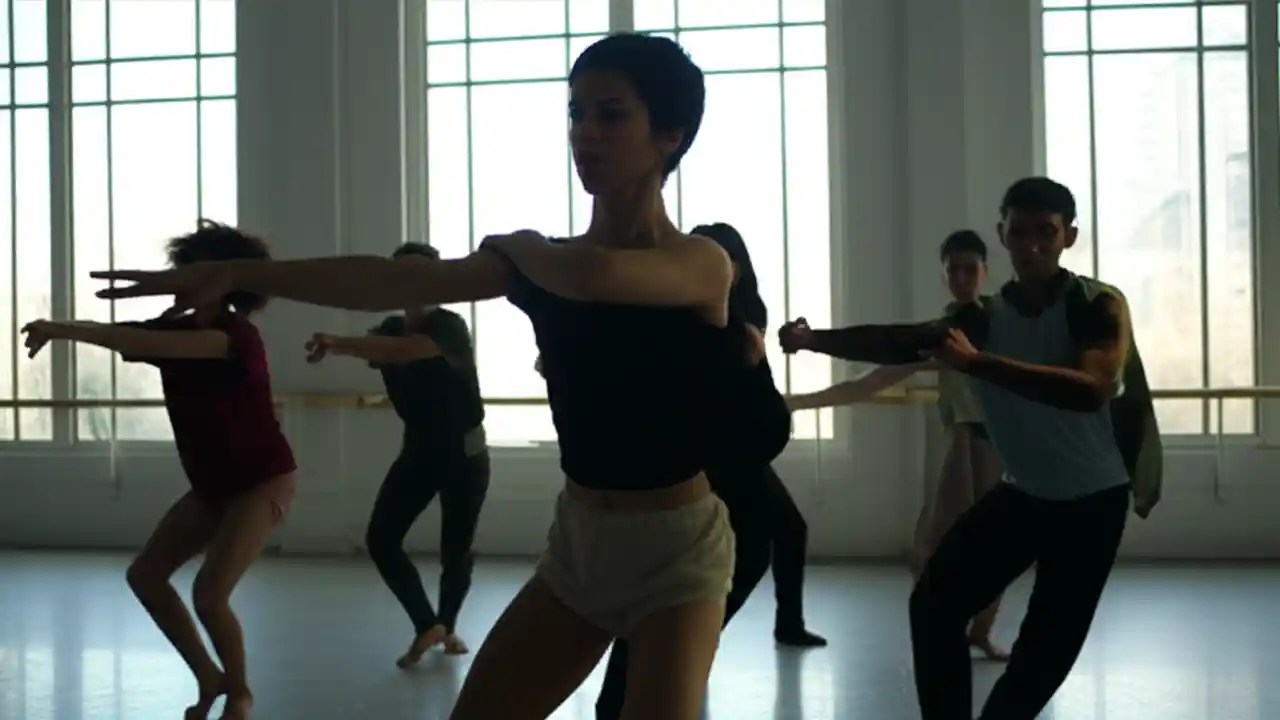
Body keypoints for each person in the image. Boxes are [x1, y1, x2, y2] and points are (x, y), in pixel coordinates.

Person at [93, 33, 787, 720]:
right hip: (580, 545)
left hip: (679, 548)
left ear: (670, 134)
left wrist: (515, 249)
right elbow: (393, 279)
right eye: (575, 114)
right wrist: (243, 270)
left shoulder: (701, 261)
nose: (585, 133)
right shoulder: (544, 261)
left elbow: (597, 274)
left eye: (611, 114)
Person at [778, 177, 1162, 719]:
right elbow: (898, 339)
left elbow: (1091, 387)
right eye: (1019, 232)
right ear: (1001, 234)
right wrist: (817, 339)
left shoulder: (1098, 304)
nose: (1031, 246)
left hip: (1091, 504)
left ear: (1068, 237)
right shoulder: (982, 317)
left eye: (1045, 233)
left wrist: (979, 364)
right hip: (1025, 495)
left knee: (1044, 651)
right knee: (934, 603)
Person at [25, 220, 296, 720]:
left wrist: (60, 328)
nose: (180, 278)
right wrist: (68, 328)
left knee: (211, 595)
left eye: (191, 271)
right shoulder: (177, 327)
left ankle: (240, 694)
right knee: (146, 576)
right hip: (213, 483)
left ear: (222, 280)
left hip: (262, 479)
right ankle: (210, 678)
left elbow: (147, 344)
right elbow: (128, 340)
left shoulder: (236, 336)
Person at [589, 221, 821, 720]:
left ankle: (708, 650)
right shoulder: (690, 320)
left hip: (738, 465)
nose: (720, 268)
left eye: (727, 258)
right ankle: (653, 678)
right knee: (673, 595)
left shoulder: (743, 313)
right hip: (713, 471)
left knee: (761, 548)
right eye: (708, 257)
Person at [787, 229, 1009, 661]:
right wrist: (800, 401)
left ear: (985, 271)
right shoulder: (941, 334)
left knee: (995, 546)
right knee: (933, 541)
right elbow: (870, 380)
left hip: (998, 443)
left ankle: (979, 631)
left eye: (970, 269)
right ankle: (939, 626)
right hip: (965, 439)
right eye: (954, 270)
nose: (963, 277)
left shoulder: (998, 322)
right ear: (944, 276)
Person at [304, 242, 490, 666]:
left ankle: (448, 625)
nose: (412, 284)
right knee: (382, 538)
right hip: (420, 452)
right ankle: (428, 625)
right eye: (401, 275)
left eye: (420, 274)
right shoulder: (387, 329)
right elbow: (381, 348)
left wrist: (337, 341)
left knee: (456, 549)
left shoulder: (450, 326)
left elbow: (407, 351)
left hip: (466, 453)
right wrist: (336, 344)